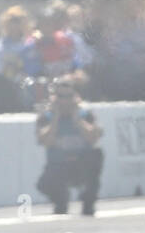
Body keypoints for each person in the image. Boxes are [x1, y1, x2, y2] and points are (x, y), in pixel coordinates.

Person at [35, 73, 103, 215]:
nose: (65, 101)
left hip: (80, 165)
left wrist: (77, 120)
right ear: (54, 98)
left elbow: (93, 138)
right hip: (59, 166)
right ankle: (61, 201)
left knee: (96, 155)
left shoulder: (85, 114)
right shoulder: (46, 117)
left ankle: (88, 202)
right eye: (61, 97)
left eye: (68, 97)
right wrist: (55, 119)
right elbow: (45, 141)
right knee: (45, 184)